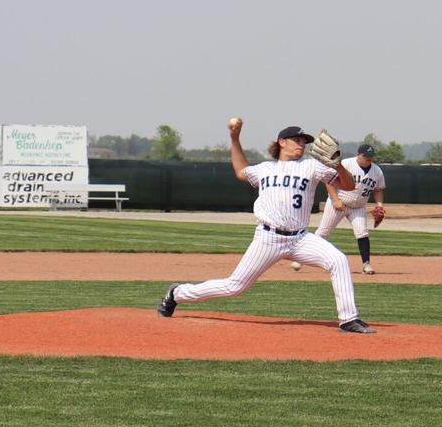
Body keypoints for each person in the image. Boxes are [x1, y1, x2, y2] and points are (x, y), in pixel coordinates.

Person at [158, 119, 375, 333]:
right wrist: (234, 138)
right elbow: (241, 171)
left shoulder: (312, 166)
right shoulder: (264, 169)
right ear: (282, 142)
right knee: (234, 287)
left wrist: (336, 163)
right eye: (297, 139)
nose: (302, 144)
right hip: (268, 239)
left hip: (300, 239)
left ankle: (348, 319)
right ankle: (178, 293)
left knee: (337, 259)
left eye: (304, 141)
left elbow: (348, 186)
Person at [296, 143, 386, 274]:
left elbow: (378, 189)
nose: (369, 158)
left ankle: (366, 264)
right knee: (322, 233)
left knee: (362, 232)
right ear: (358, 155)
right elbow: (329, 181)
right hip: (338, 204)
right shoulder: (346, 164)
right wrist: (336, 200)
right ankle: (301, 258)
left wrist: (379, 204)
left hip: (358, 207)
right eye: (366, 156)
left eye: (371, 156)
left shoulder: (377, 171)